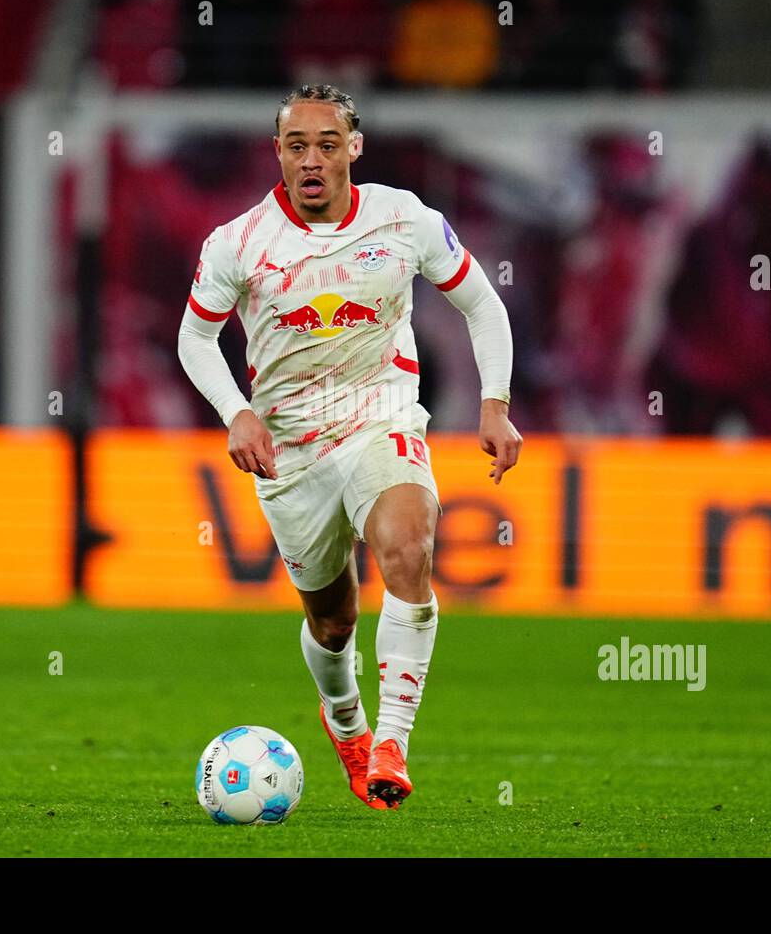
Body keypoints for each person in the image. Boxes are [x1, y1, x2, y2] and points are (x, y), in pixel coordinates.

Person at [177, 83, 521, 809]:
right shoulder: (238, 242)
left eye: (327, 144)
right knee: (332, 620)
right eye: (296, 145)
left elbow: (480, 303)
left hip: (380, 418)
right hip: (289, 449)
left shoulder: (406, 220)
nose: (311, 159)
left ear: (353, 149)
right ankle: (346, 723)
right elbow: (195, 337)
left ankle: (392, 742)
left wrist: (495, 403)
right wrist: (237, 414)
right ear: (277, 151)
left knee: (408, 544)